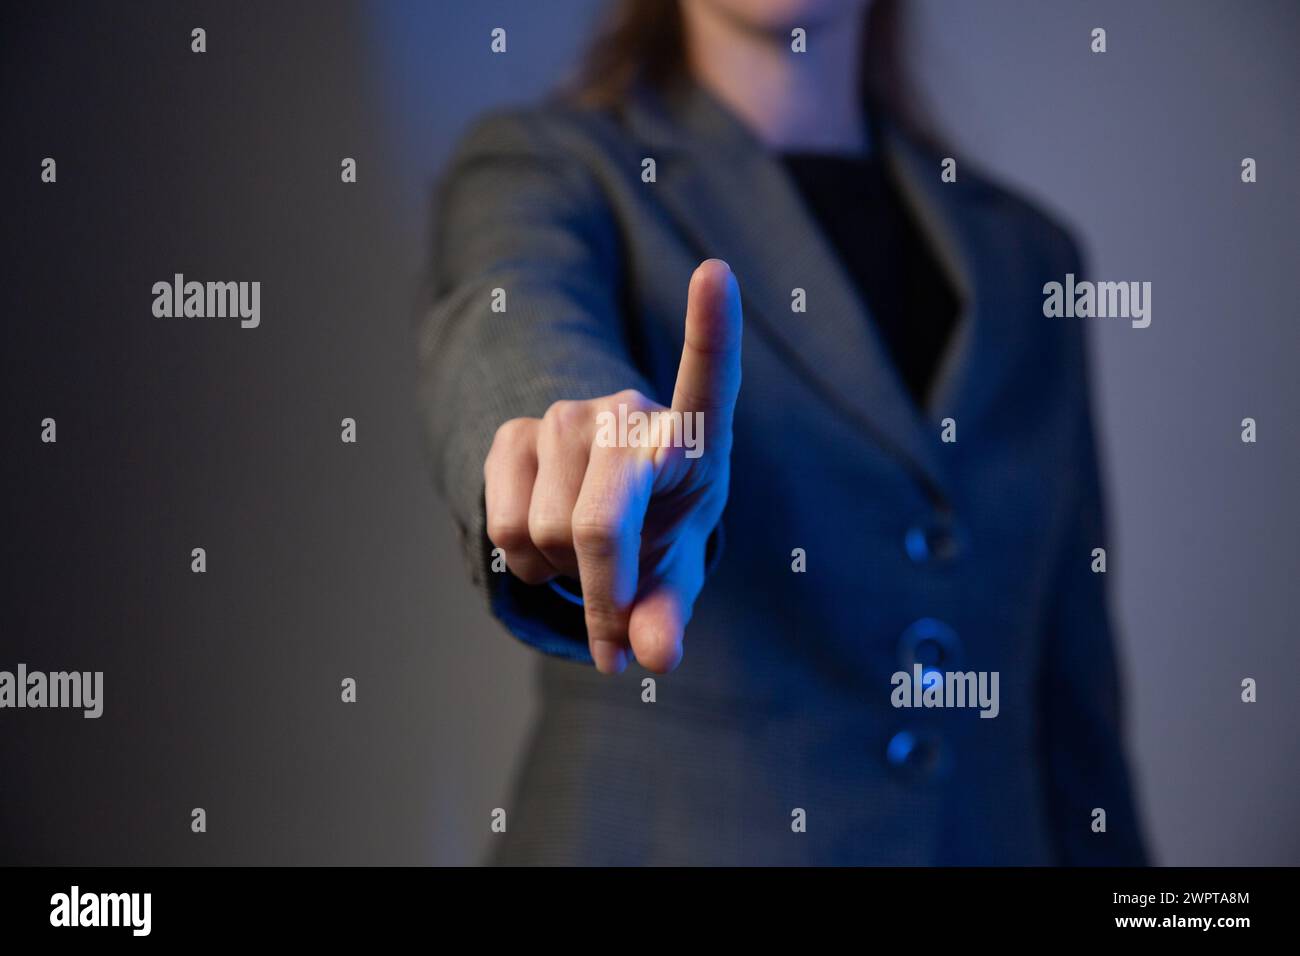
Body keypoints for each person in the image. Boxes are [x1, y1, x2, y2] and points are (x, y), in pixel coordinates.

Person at [419, 0, 1148, 865]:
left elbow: (1075, 711)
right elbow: (513, 317)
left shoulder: (1031, 256)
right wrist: (578, 440)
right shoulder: (549, 167)